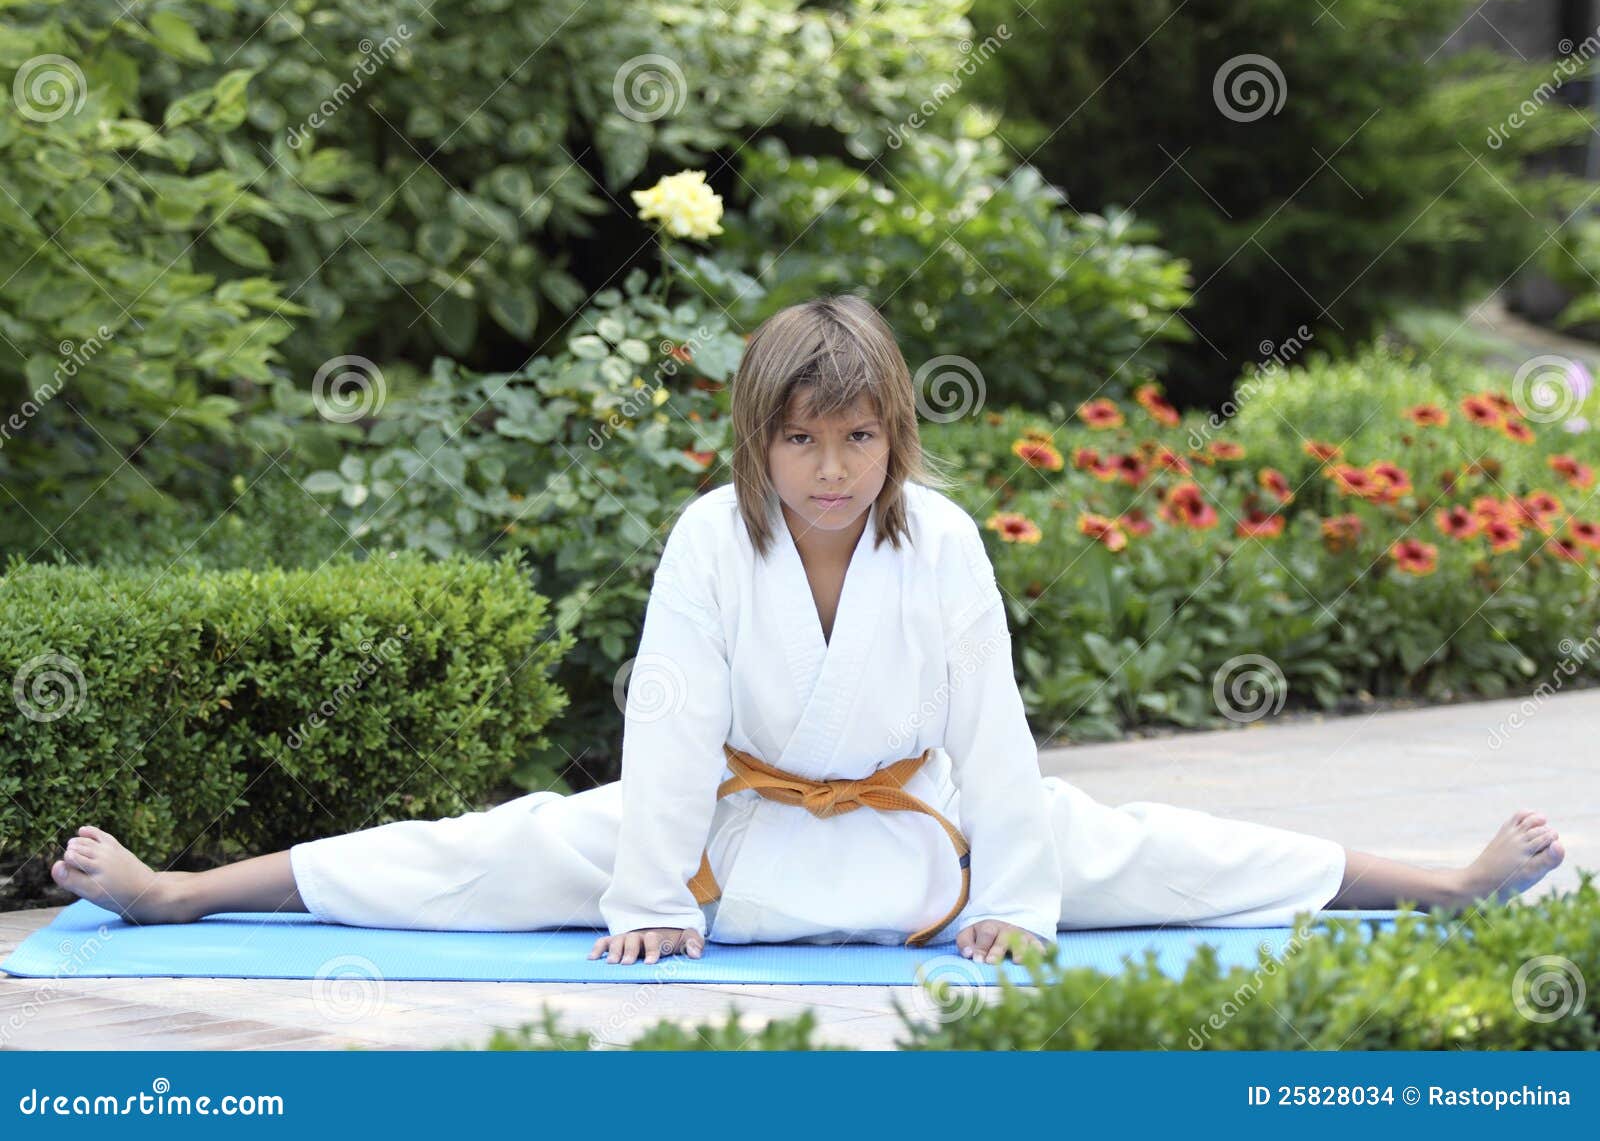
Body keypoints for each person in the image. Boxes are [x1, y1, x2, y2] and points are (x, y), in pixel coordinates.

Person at [48, 295, 1566, 967]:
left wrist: (1021, 895)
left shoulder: (945, 537)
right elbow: (667, 726)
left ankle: (1442, 877)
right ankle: (185, 891)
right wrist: (653, 887)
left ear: (894, 437)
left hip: (934, 836)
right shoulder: (711, 540)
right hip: (725, 838)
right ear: (755, 445)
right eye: (803, 441)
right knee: (491, 847)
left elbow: (993, 729)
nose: (831, 467)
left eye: (857, 438)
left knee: (1156, 844)